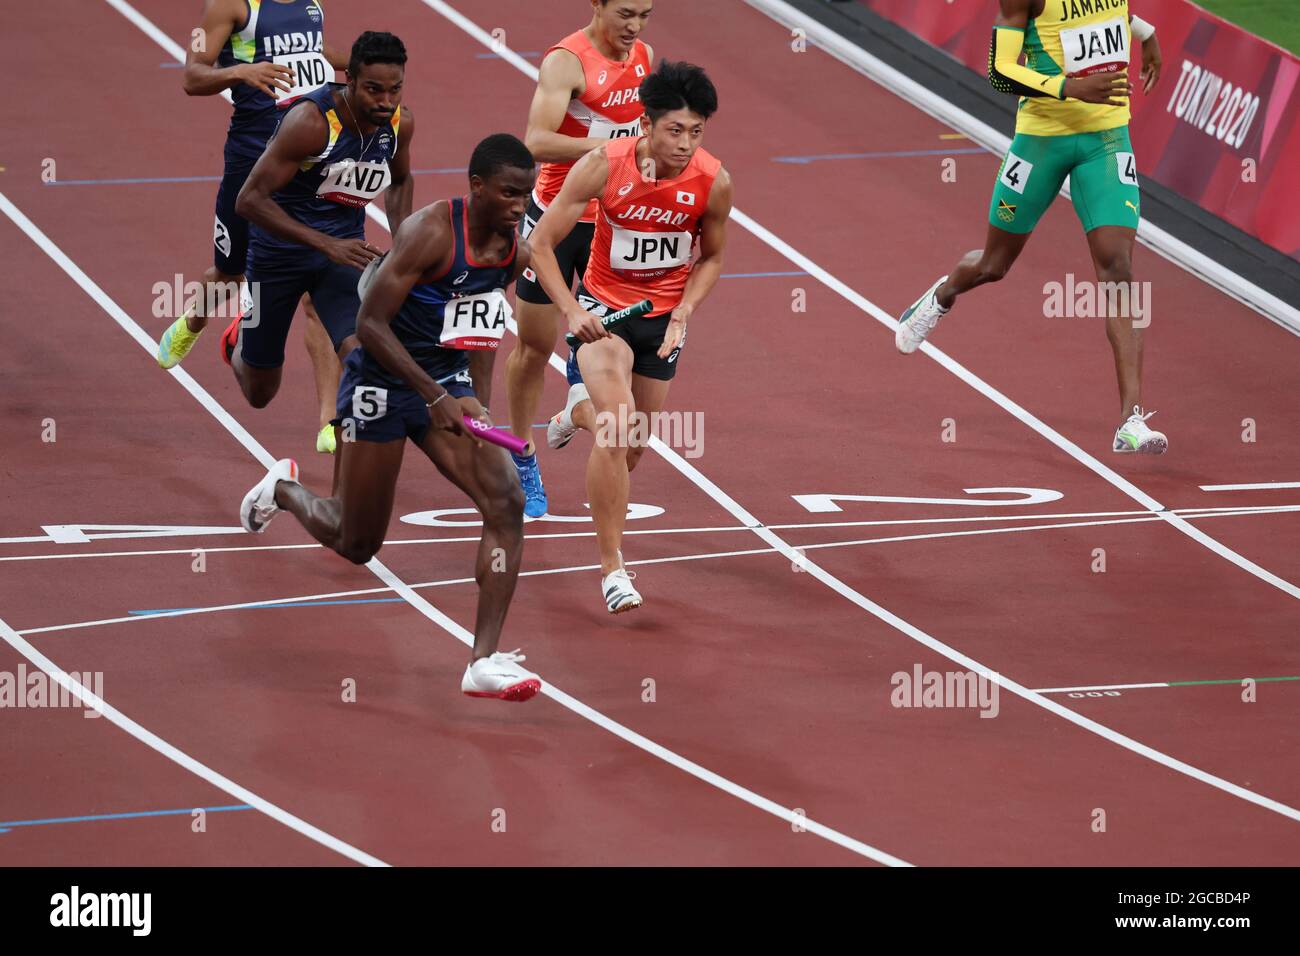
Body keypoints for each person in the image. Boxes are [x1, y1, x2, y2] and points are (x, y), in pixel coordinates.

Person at [237, 134, 542, 702]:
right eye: (509, 193)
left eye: (526, 195)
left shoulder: (510, 249)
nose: (520, 206)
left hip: (442, 386)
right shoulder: (428, 232)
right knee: (355, 542)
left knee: (506, 502)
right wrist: (432, 395)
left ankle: (484, 659)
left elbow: (481, 332)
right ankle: (282, 490)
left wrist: (475, 399)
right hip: (379, 384)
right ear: (476, 188)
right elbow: (370, 325)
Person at [896, 2, 1168, 454]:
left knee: (1118, 270)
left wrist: (1147, 34)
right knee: (993, 265)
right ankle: (942, 295)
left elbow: (1114, 10)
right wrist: (1070, 87)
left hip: (1106, 137)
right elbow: (1000, 71)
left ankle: (1131, 420)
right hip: (1042, 138)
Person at [530, 61, 731, 614]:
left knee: (631, 448)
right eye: (675, 130)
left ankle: (574, 414)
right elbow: (542, 244)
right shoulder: (601, 166)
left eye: (696, 132)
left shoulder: (713, 181)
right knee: (618, 429)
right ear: (645, 124)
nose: (686, 144)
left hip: (663, 322)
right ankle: (613, 567)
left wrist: (687, 309)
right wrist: (571, 311)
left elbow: (712, 256)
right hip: (605, 314)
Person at [155, 0, 351, 453]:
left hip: (307, 162)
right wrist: (240, 73)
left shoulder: (311, 5)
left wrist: (363, 61)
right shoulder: (230, 6)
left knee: (315, 293)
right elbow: (193, 75)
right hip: (251, 158)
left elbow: (314, 56)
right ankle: (194, 320)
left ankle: (329, 420)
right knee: (228, 273)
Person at [500, 0, 656, 518]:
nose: (634, 27)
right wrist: (615, 145)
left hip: (613, 223)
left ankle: (574, 406)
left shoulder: (645, 58)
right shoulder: (565, 62)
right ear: (598, 5)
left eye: (645, 15)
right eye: (625, 14)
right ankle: (522, 453)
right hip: (555, 219)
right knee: (533, 344)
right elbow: (536, 141)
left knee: (607, 343)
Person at [224, 31, 414, 415]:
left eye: (395, 90)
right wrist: (324, 242)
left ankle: (352, 448)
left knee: (362, 356)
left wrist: (405, 247)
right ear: (352, 79)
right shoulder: (311, 122)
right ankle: (238, 339)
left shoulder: (398, 123)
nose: (386, 101)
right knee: (260, 392)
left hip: (343, 255)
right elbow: (249, 200)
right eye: (374, 90)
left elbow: (400, 181)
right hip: (278, 255)